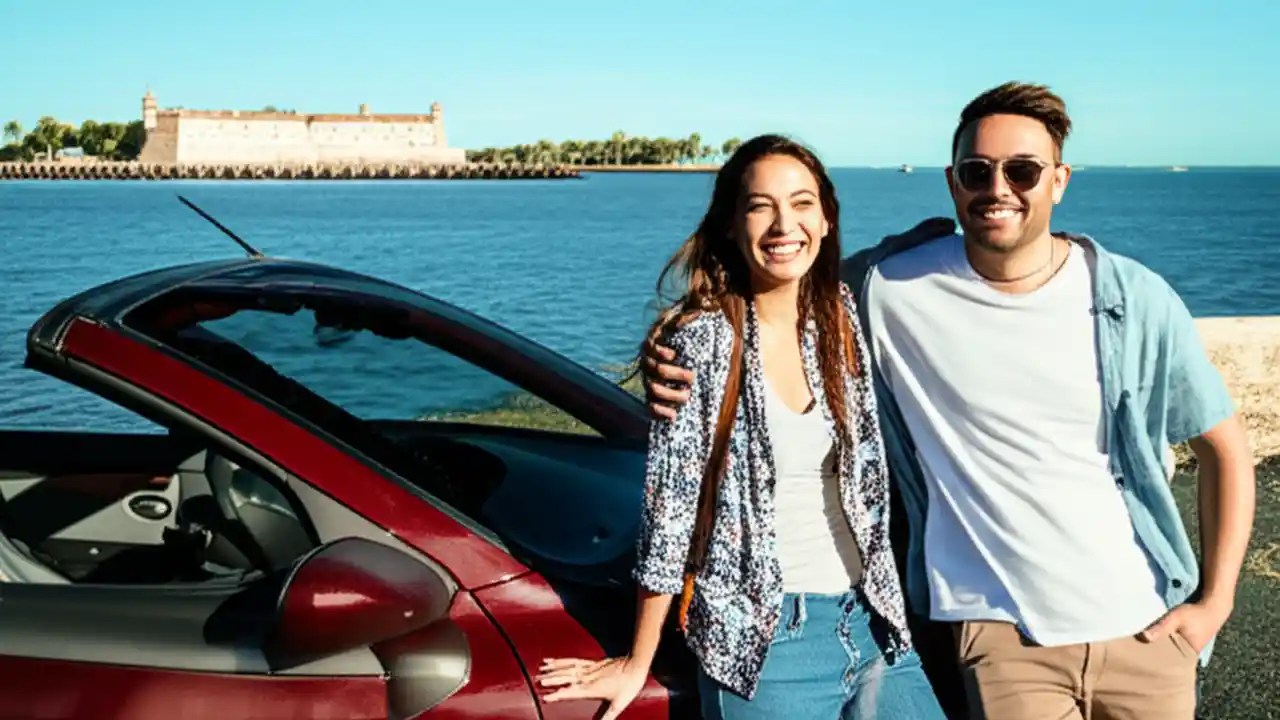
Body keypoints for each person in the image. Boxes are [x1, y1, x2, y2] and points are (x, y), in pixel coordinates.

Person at [638, 82, 1256, 720]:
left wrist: (1216, 603)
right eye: (977, 171)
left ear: (1059, 180)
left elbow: (1225, 450)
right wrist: (685, 334)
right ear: (953, 180)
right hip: (1004, 644)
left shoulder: (1132, 299)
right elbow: (787, 286)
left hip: (1146, 634)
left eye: (1023, 170)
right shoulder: (889, 287)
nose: (999, 189)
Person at [537, 134, 946, 719]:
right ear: (731, 224)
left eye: (803, 204)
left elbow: (919, 243)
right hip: (767, 645)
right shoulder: (701, 343)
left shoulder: (843, 319)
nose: (785, 224)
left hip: (875, 625)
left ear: (827, 219)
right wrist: (638, 658)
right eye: (760, 206)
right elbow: (669, 513)